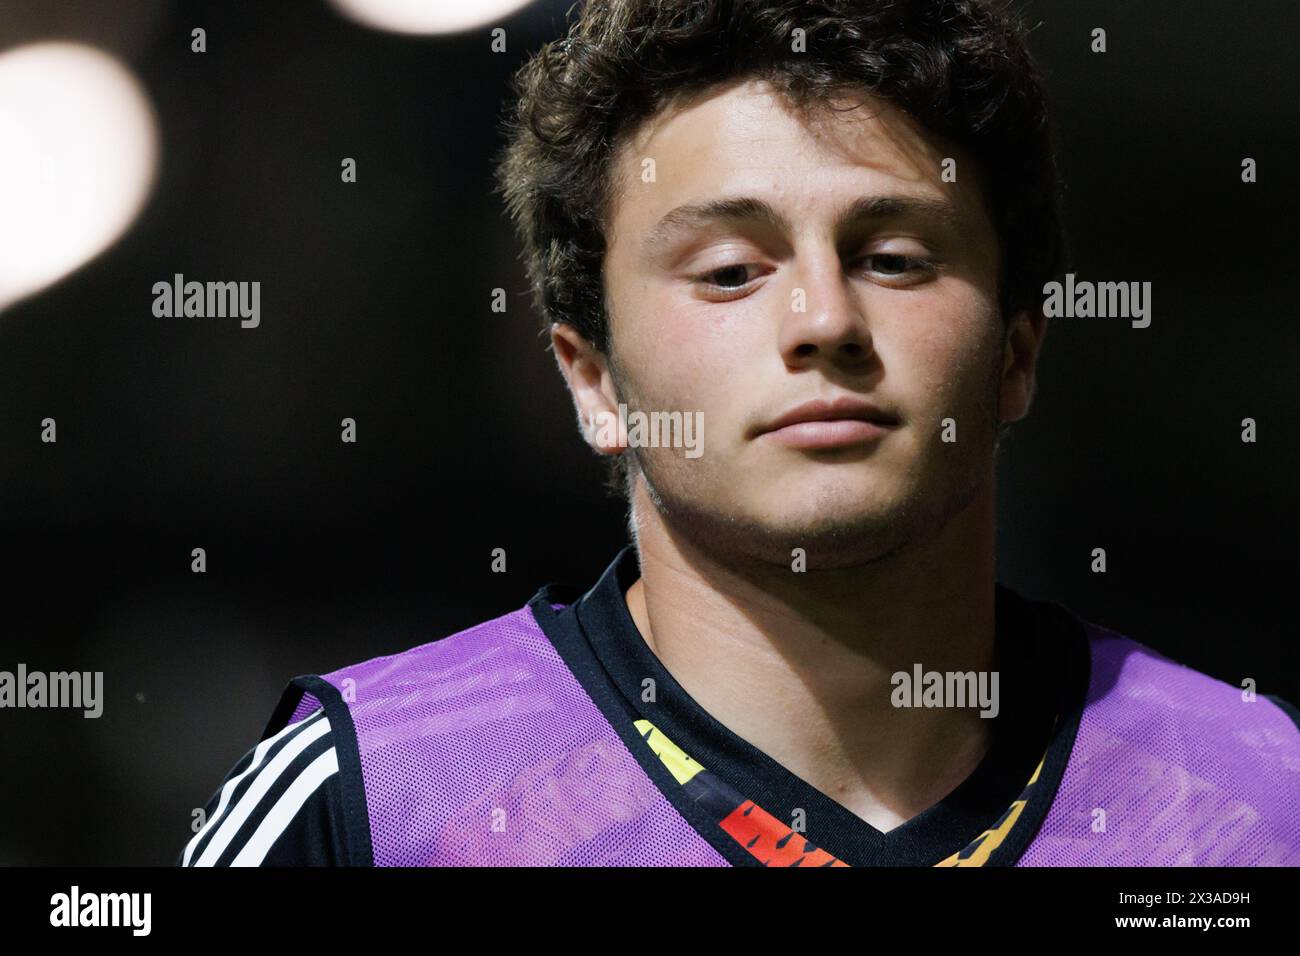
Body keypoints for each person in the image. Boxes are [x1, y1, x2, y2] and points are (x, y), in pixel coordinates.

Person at [177, 0, 1300, 868]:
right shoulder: (372, 800)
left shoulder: (1265, 796)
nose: (823, 320)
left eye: (895, 256)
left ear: (1016, 351)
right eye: (728, 270)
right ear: (594, 379)